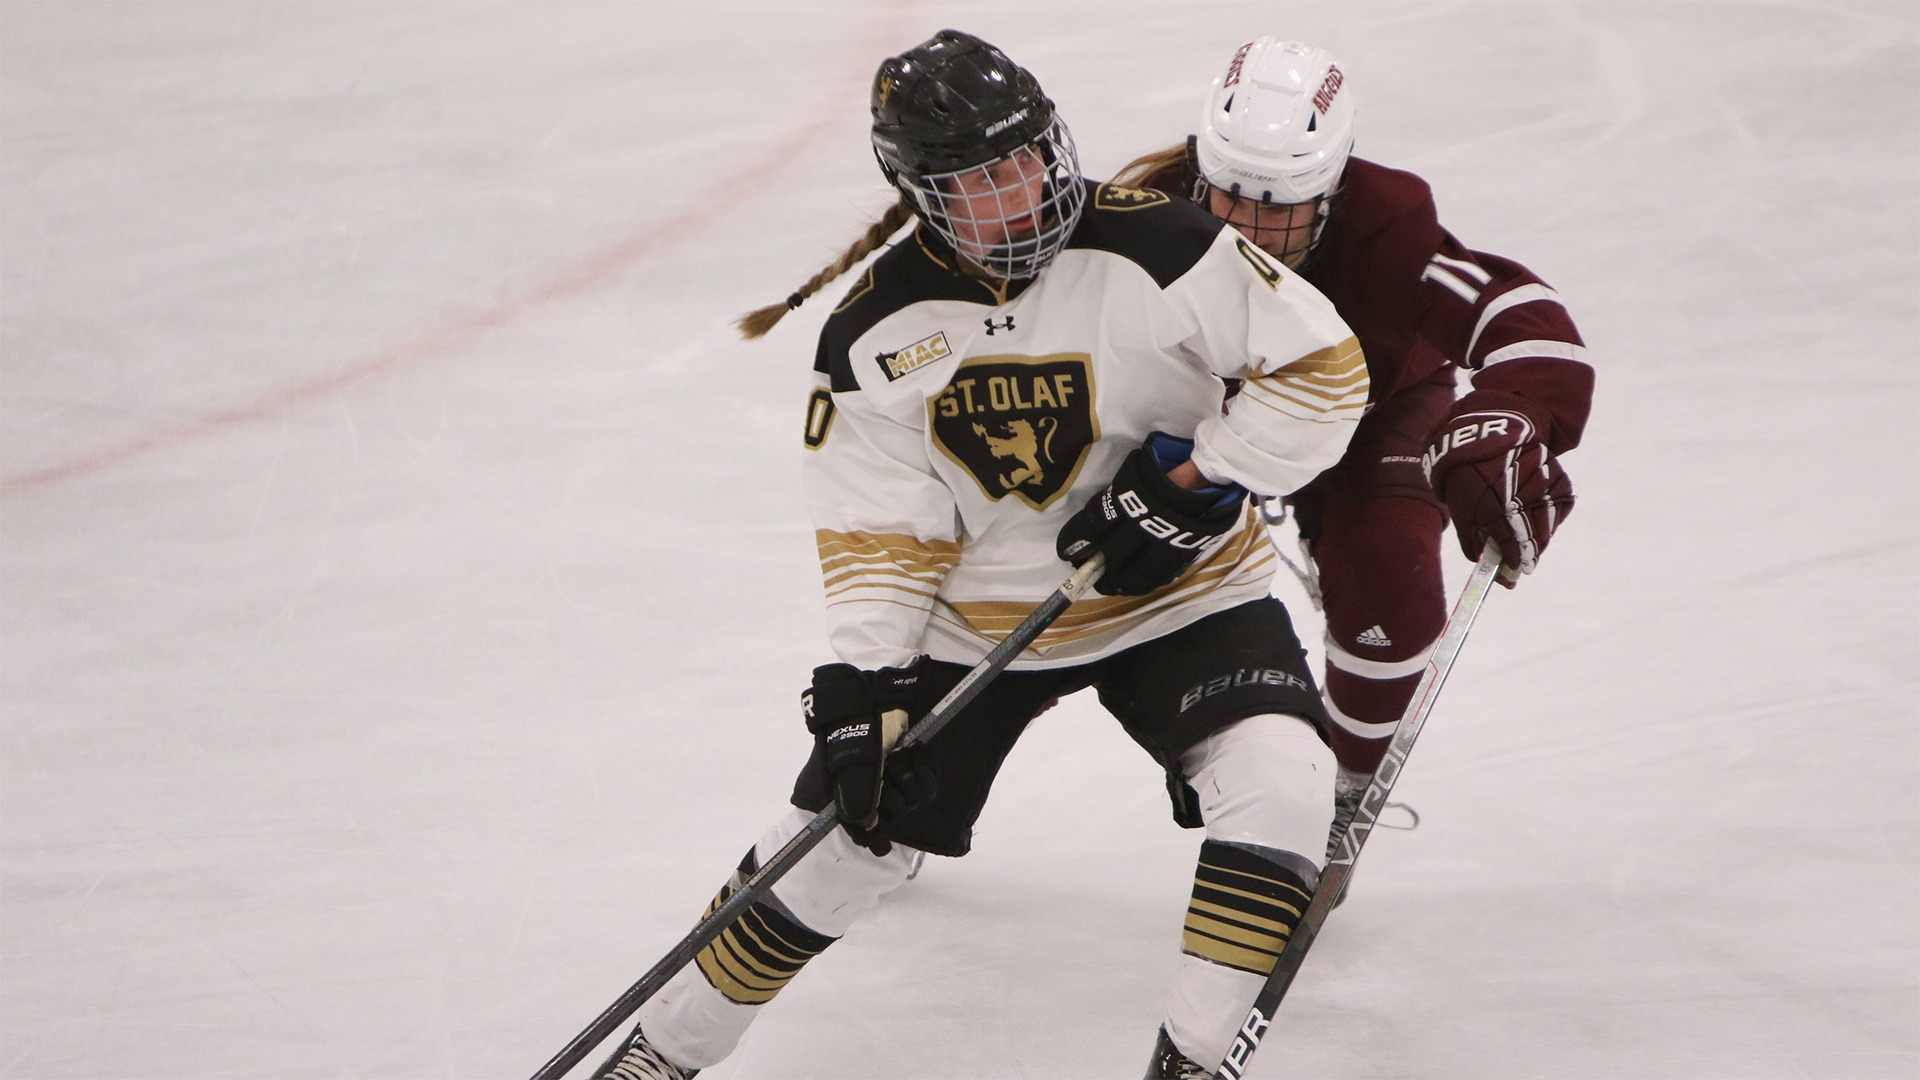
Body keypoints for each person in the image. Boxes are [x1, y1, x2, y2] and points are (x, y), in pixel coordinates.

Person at [604, 29, 1370, 1080]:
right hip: (980, 624)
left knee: (1286, 785)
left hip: (1187, 597)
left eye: (1029, 161)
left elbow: (1324, 372)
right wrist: (863, 682)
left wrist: (1195, 485)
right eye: (980, 184)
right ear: (922, 195)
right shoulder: (876, 333)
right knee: (835, 847)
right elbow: (880, 531)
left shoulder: (1168, 246)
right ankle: (659, 1054)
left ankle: (1193, 1061)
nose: (1021, 196)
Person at [1114, 36, 1594, 875]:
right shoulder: (1142, 214)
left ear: (1331, 191)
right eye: (1231, 199)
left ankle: (1342, 787)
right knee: (1057, 556)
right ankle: (921, 766)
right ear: (1200, 171)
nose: (1251, 231)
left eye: (1282, 209)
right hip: (1199, 427)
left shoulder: (1387, 228)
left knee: (1390, 588)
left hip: (1373, 418)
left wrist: (1512, 416)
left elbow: (1518, 313)